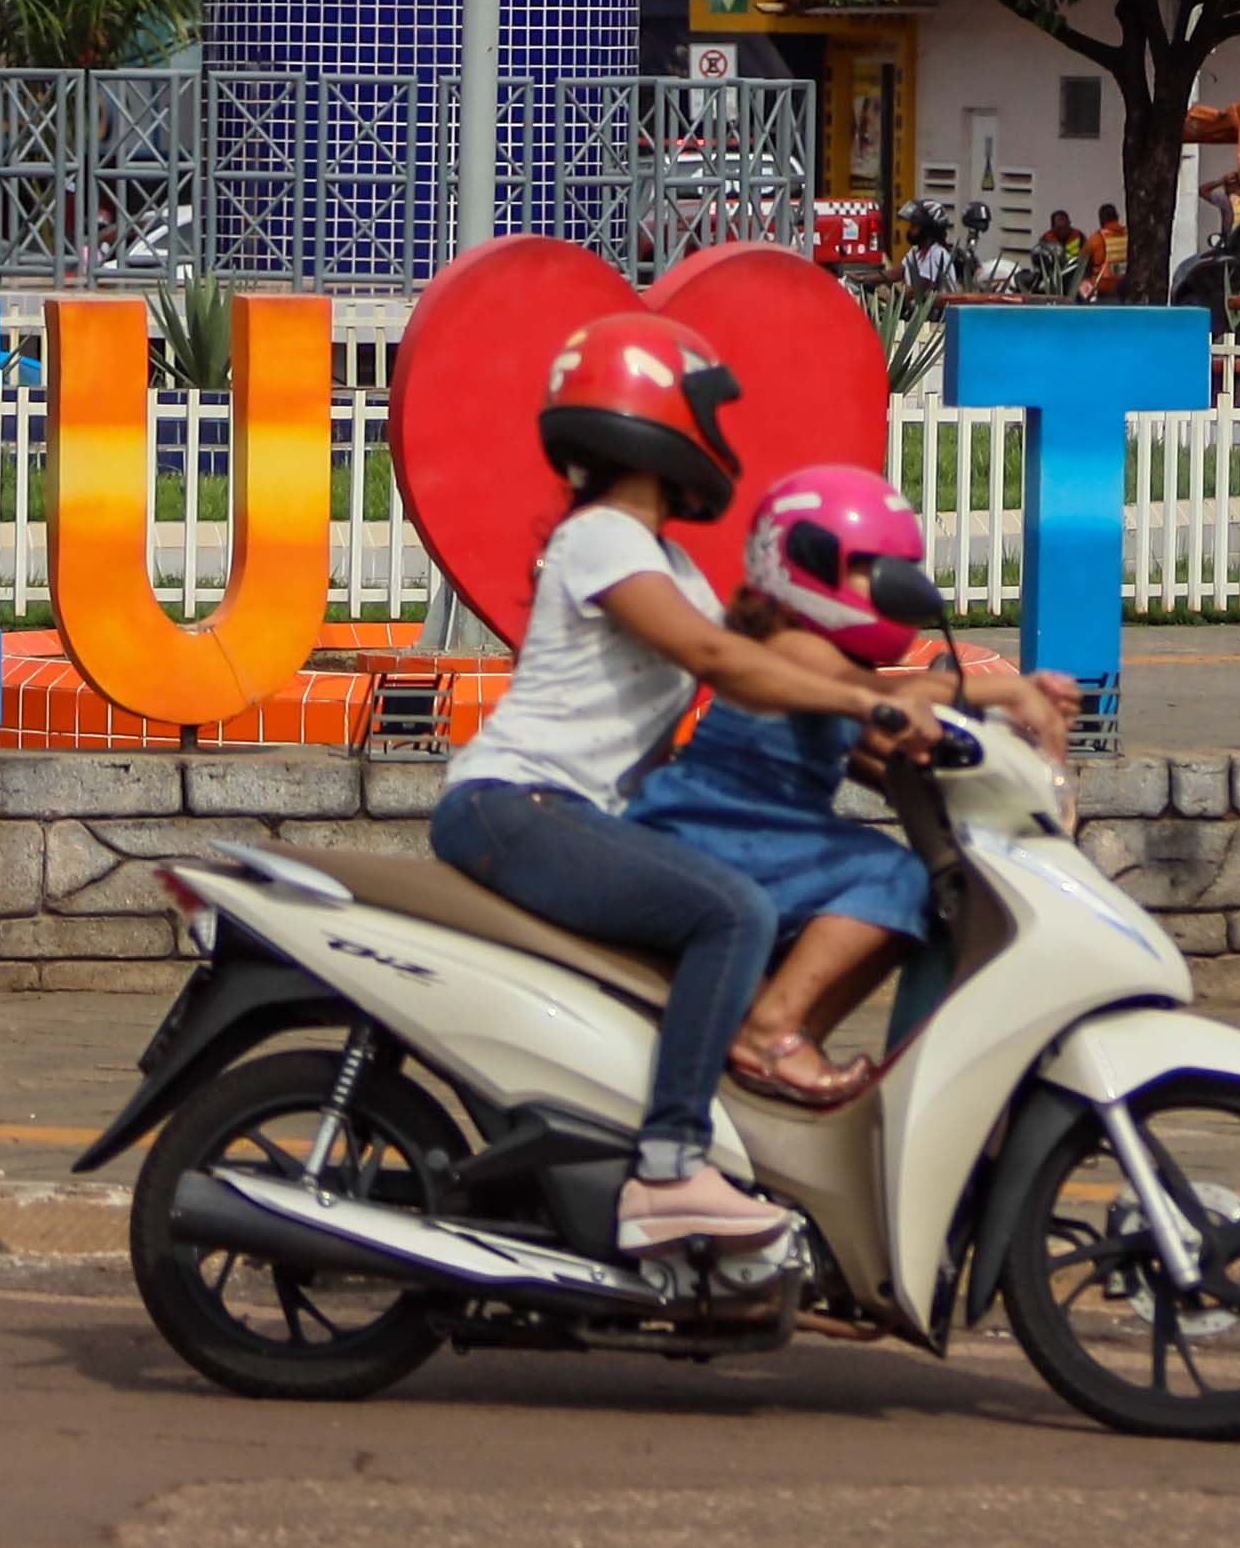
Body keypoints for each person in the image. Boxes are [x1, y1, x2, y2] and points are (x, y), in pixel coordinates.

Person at [425, 319, 942, 1269]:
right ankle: (667, 1170)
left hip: (562, 816)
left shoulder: (668, 563)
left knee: (761, 903)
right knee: (731, 911)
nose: (719, 436)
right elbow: (720, 664)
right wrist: (884, 700)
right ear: (654, 410)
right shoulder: (601, 538)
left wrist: (891, 734)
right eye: (706, 412)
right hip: (512, 804)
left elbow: (759, 678)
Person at [627, 461, 1072, 1114]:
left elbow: (873, 742)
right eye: (868, 568)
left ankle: (785, 1041)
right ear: (803, 564)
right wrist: (1006, 686)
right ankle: (772, 1030)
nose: (887, 587)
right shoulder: (796, 650)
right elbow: (884, 694)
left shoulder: (815, 658)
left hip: (751, 835)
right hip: (711, 833)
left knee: (900, 895)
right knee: (888, 877)